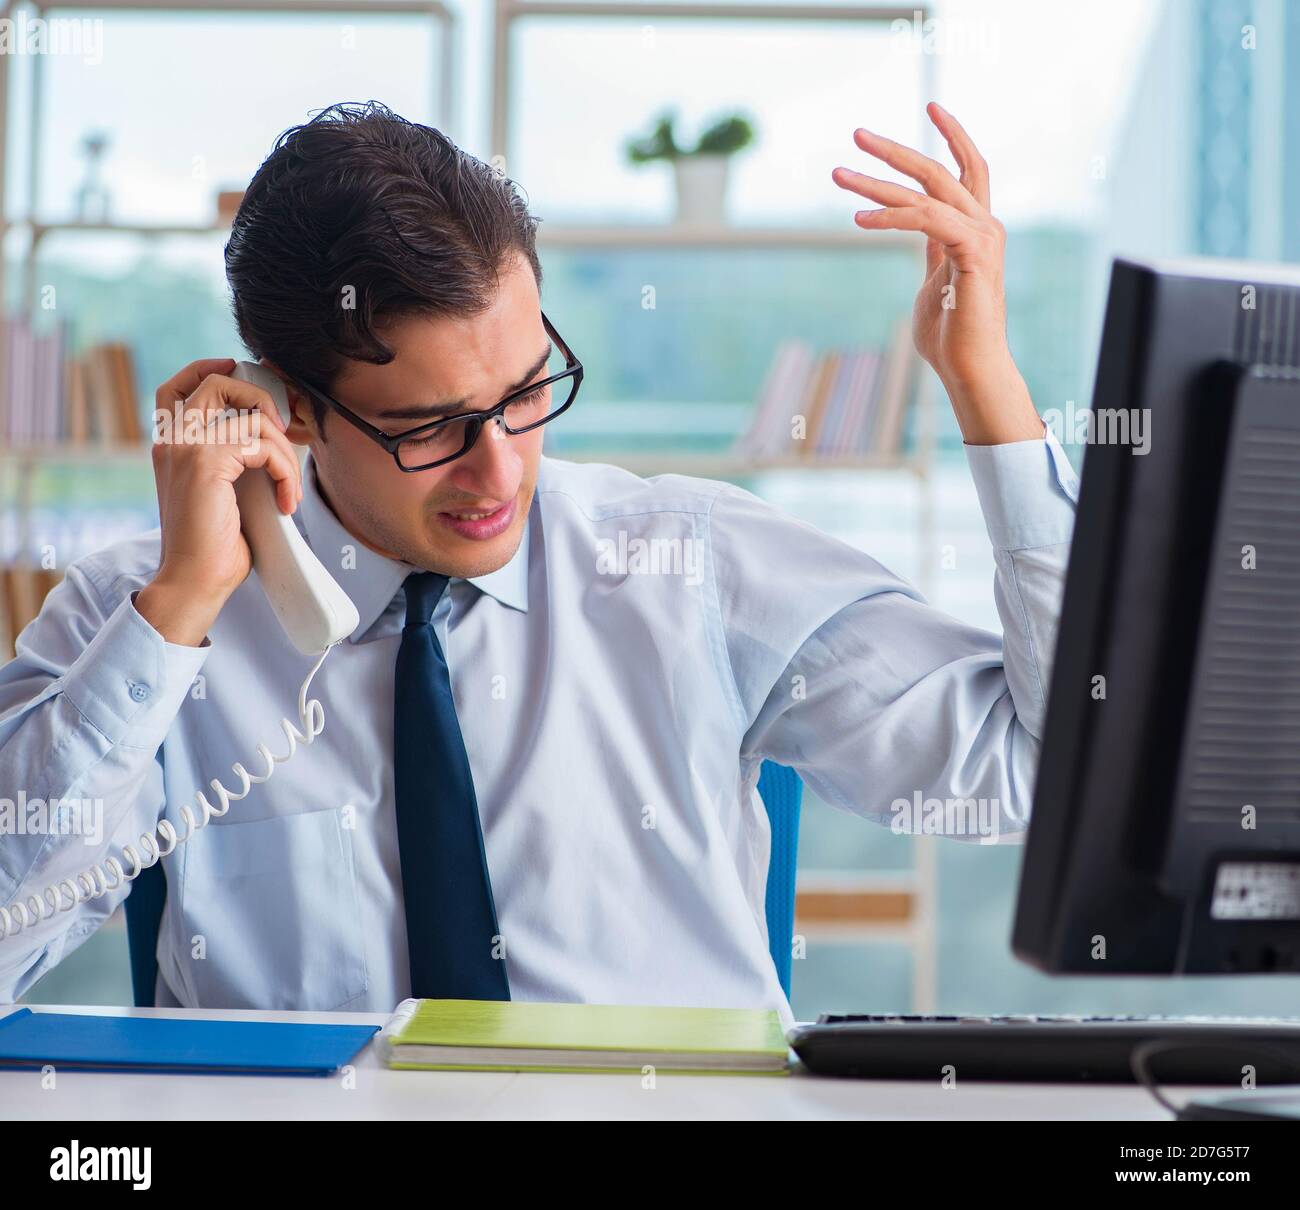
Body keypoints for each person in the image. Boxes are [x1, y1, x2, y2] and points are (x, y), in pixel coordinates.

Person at [0, 101, 1077, 1021]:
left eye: (525, 393)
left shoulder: (687, 564)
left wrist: (986, 388)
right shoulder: (141, 614)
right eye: (427, 428)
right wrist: (180, 610)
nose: (499, 469)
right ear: (287, 408)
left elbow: (1037, 769)